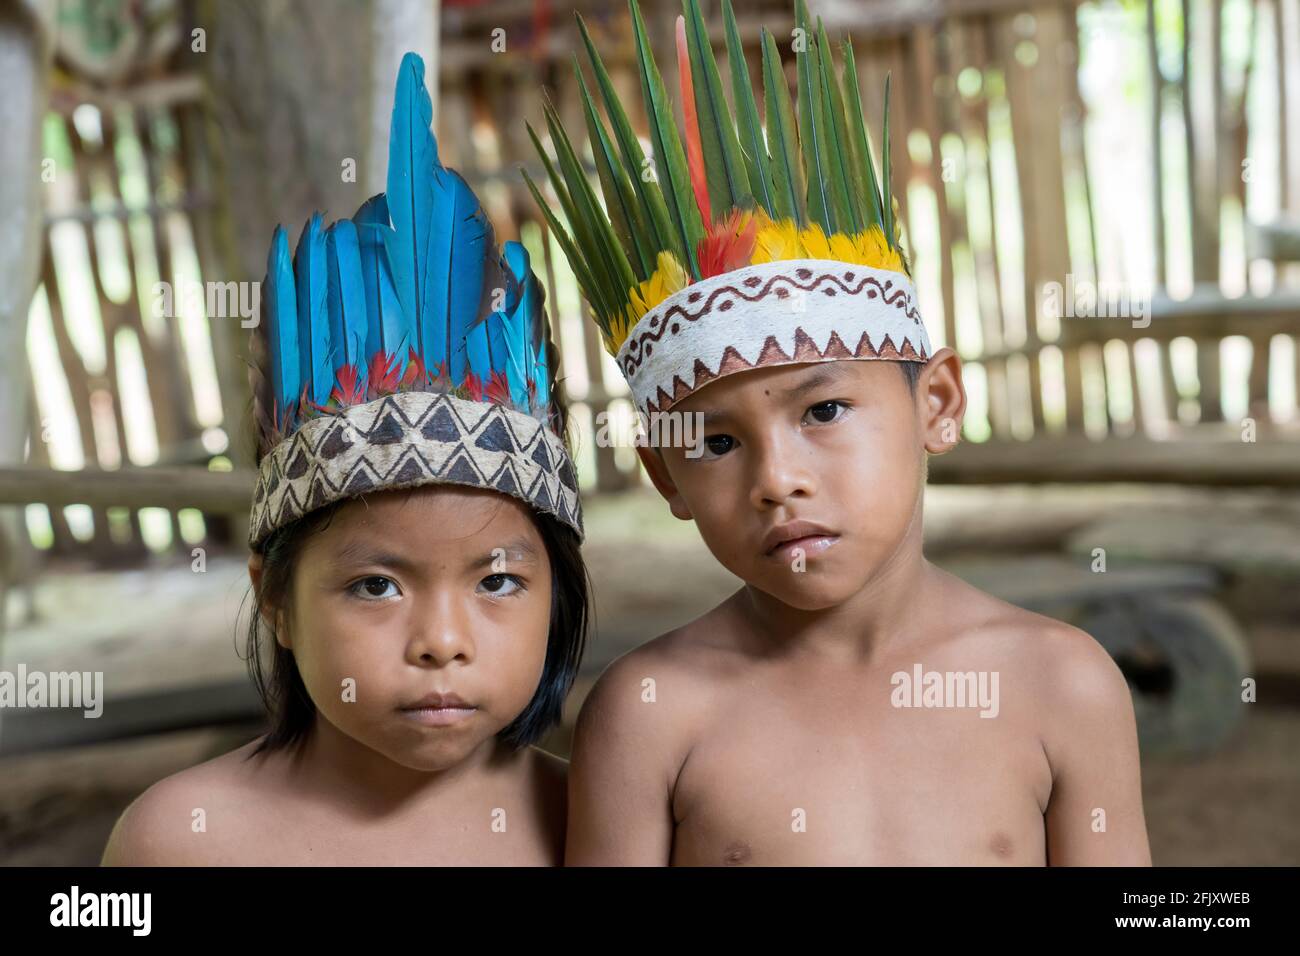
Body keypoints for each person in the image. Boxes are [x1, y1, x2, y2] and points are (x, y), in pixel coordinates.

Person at [527, 0, 1150, 865]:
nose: (776, 478)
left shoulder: (1061, 685)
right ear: (664, 475)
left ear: (935, 402)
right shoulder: (651, 713)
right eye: (714, 442)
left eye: (823, 411)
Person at [102, 52, 588, 866]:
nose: (441, 640)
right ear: (276, 602)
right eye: (375, 585)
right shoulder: (181, 840)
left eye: (498, 580)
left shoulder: (590, 826)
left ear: (559, 595)